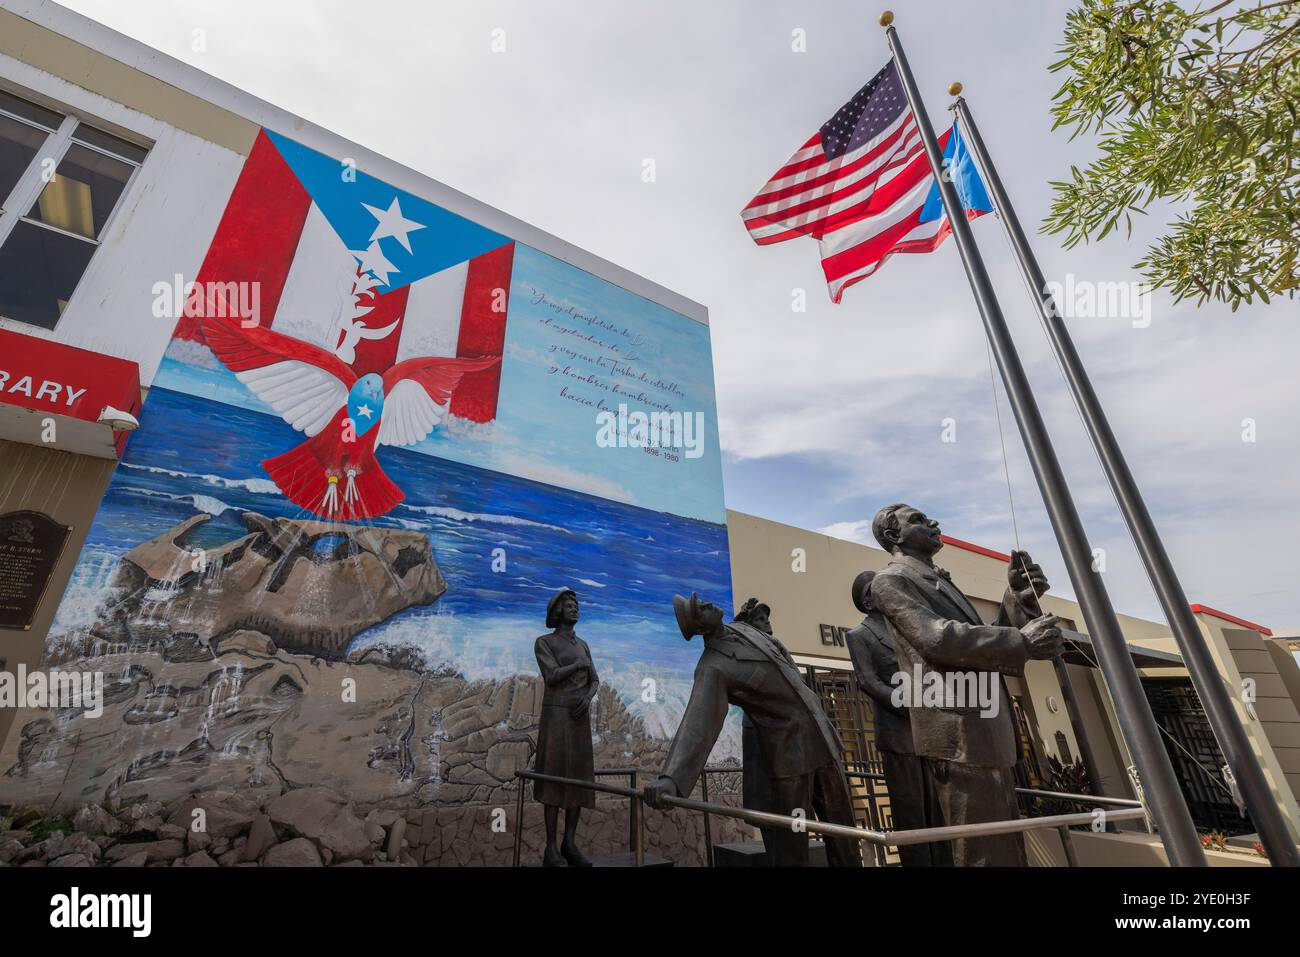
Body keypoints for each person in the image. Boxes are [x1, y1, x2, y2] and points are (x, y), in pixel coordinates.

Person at [868, 503, 1064, 866]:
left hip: (985, 734)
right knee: (982, 855)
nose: (932, 522)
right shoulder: (890, 581)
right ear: (894, 535)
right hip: (959, 737)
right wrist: (1021, 642)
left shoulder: (939, 580)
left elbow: (978, 647)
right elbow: (937, 639)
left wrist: (1018, 597)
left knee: (1004, 850)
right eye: (918, 520)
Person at [643, 592, 861, 866]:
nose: (708, 604)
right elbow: (698, 723)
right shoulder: (713, 667)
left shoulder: (744, 629)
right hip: (788, 758)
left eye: (703, 601)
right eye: (700, 608)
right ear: (699, 627)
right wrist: (671, 779)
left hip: (823, 740)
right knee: (791, 847)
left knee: (845, 834)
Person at [844, 570, 951, 866]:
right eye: (877, 589)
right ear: (868, 602)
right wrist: (909, 705)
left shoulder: (907, 630)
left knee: (939, 811)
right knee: (911, 815)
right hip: (899, 736)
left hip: (930, 733)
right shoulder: (860, 635)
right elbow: (869, 682)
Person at [533, 589, 600, 867]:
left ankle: (569, 843)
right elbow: (551, 676)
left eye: (577, 605)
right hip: (556, 717)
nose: (575, 609)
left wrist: (587, 697)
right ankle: (551, 848)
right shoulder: (544, 642)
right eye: (570, 605)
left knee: (579, 781)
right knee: (553, 779)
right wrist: (575, 666)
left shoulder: (583, 644)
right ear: (558, 611)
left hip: (578, 718)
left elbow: (595, 680)